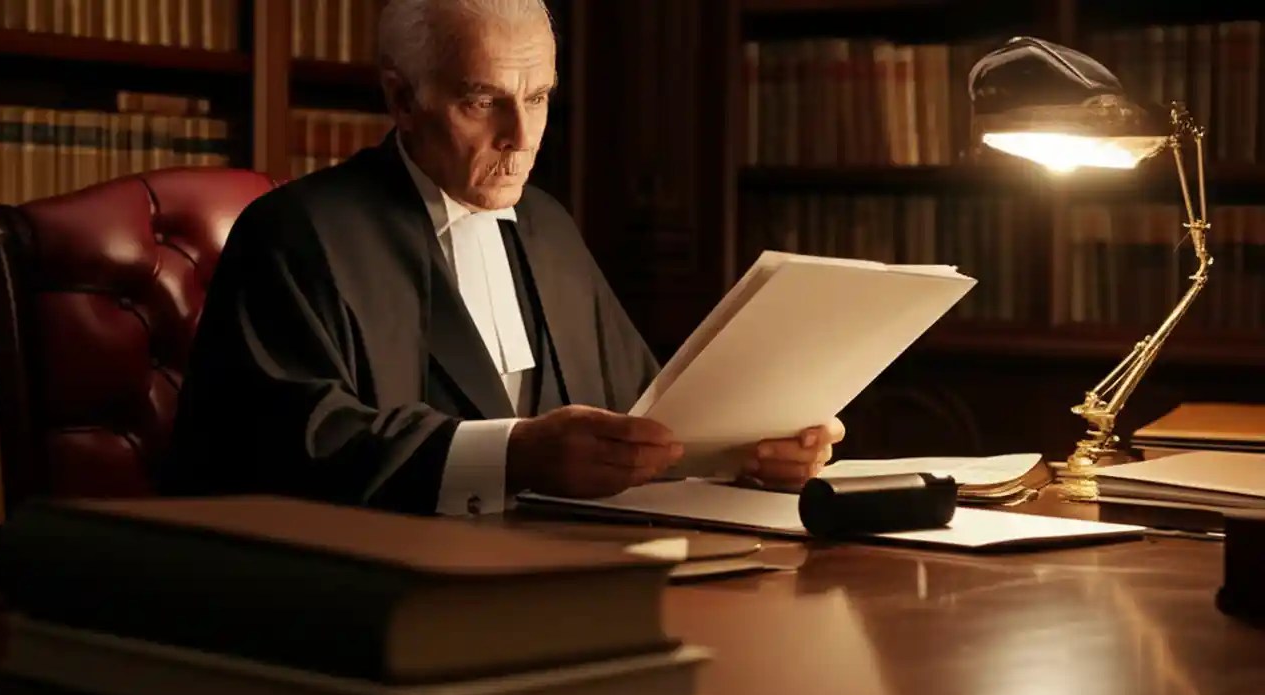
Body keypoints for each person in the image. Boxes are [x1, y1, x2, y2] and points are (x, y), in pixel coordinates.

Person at [159, 0, 845, 516]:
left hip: (567, 581)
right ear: (402, 98)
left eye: (538, 98)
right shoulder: (296, 233)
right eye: (483, 100)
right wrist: (513, 456)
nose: (521, 136)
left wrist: (751, 453)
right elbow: (291, 447)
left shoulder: (546, 226)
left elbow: (647, 421)